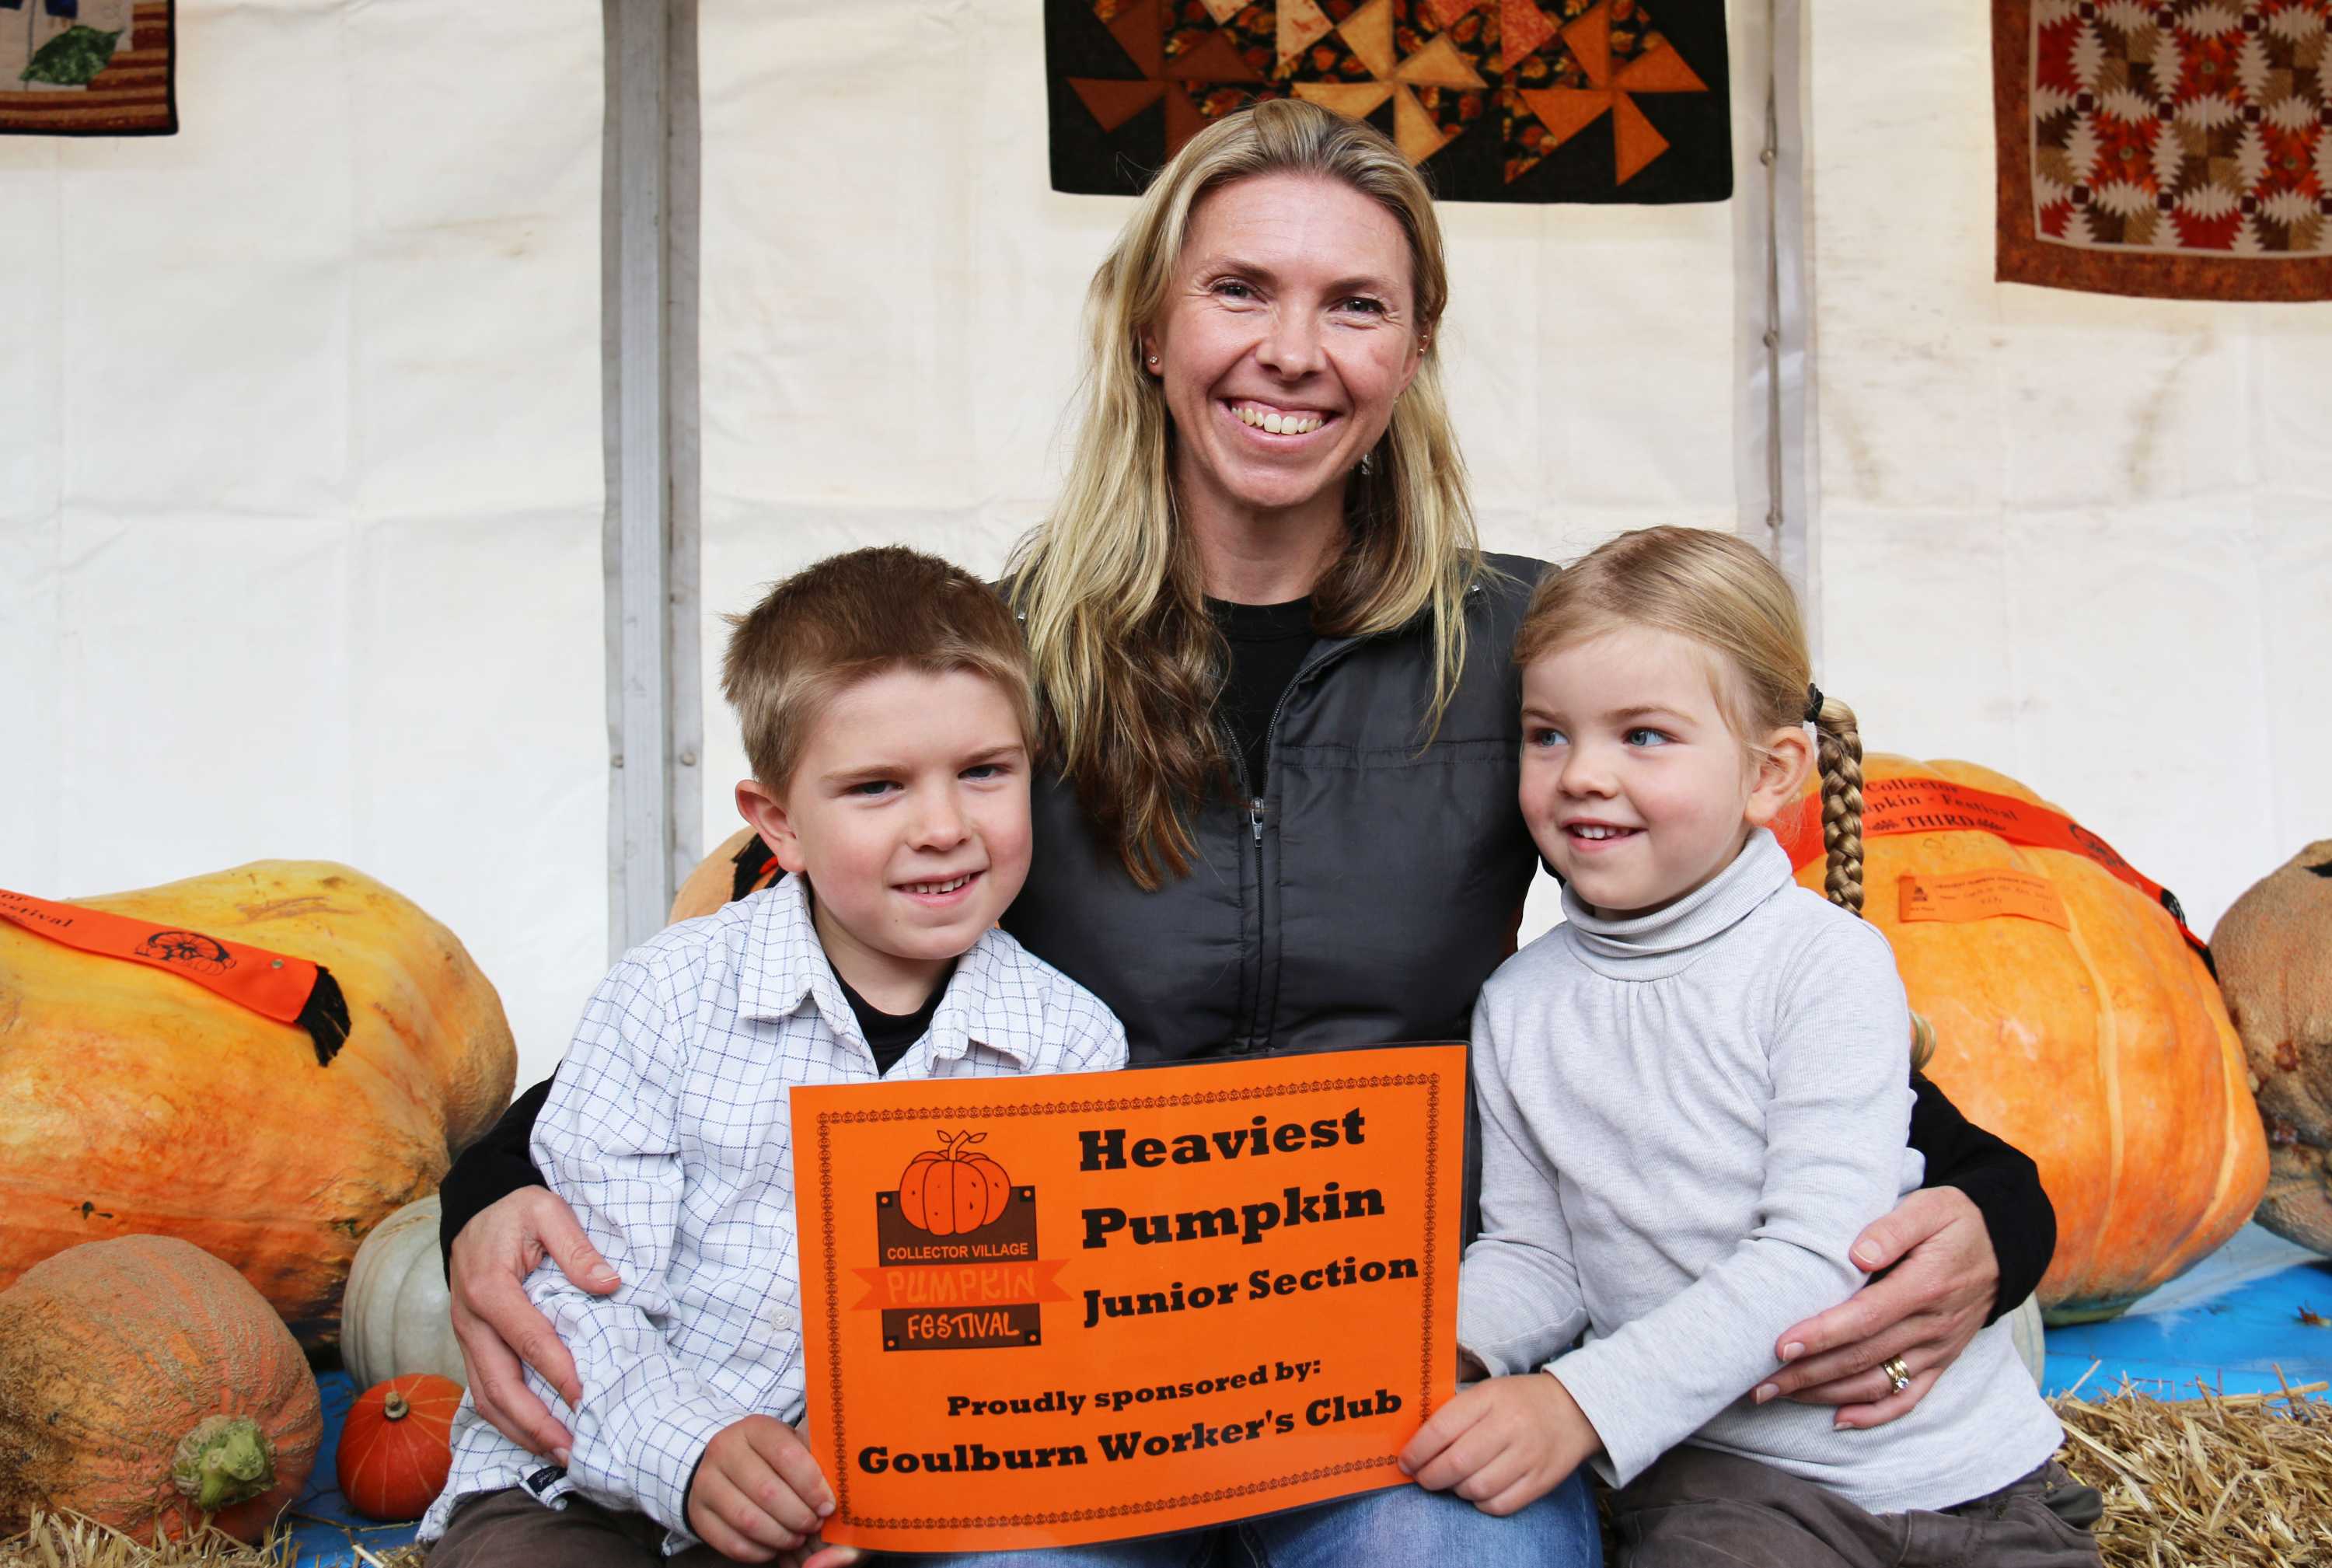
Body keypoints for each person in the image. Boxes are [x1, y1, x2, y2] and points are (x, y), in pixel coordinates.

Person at [435, 101, 2058, 1566]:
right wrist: (497, 1180)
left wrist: (1993, 1198)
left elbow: (1735, 959)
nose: (1294, 349)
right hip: (1061, 1376)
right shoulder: (999, 667)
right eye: (1240, 292)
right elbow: (760, 953)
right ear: (1151, 328)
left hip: (1400, 1358)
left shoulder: (1523, 657)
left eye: (1354, 304)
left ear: (1412, 350)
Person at [1402, 526, 2101, 1566]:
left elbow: (1818, 1251)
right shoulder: (1518, 1006)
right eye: (1548, 734)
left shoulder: (1824, 966)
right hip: (1732, 1487)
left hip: (1963, 1478)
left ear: (1771, 773)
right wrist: (1428, 1347)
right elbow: (1538, 1258)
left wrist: (1575, 1402)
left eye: (1643, 735)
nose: (1583, 773)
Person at [419, 547, 1129, 1567]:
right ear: (780, 824)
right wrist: (693, 1453)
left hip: (853, 1506)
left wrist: (882, 1485)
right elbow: (576, 1286)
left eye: (984, 771)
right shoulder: (666, 997)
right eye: (878, 786)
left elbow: (1037, 1336)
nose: (944, 826)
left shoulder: (1069, 1046)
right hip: (585, 1481)